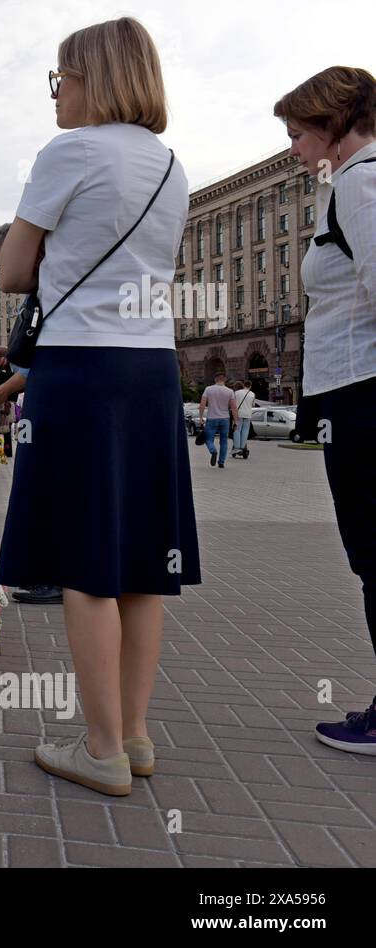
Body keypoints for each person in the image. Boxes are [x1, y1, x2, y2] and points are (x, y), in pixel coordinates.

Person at [0, 17, 199, 796]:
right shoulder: (171, 164)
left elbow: (14, 271)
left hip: (79, 366)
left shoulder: (69, 152)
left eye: (62, 77)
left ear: (95, 79)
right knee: (145, 563)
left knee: (86, 565)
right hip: (152, 368)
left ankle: (100, 746)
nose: (57, 92)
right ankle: (135, 736)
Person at [276, 67, 376, 755]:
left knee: (374, 555)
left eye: (297, 134)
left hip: (364, 393)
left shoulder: (361, 185)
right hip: (358, 390)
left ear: (332, 124)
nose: (293, 150)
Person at [0, 223, 62, 606]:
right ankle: (47, 573)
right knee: (42, 490)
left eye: (4, 263)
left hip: (55, 407)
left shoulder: (54, 289)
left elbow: (48, 357)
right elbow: (31, 348)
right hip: (42, 408)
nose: (5, 276)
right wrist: (8, 354)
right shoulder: (40, 291)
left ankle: (59, 578)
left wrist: (4, 390)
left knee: (53, 491)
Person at [199, 372, 238, 468]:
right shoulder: (230, 391)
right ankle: (221, 462)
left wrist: (200, 418)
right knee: (224, 441)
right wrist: (235, 421)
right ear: (224, 379)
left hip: (212, 418)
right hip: (225, 419)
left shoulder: (208, 389)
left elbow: (202, 405)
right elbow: (234, 408)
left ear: (215, 379)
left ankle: (213, 451)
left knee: (208, 439)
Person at [230, 379, 255, 459]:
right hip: (248, 414)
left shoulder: (237, 393)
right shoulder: (252, 394)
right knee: (245, 431)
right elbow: (253, 405)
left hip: (238, 414)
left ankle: (237, 447)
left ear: (244, 385)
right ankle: (242, 446)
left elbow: (233, 404)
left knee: (237, 430)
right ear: (250, 386)